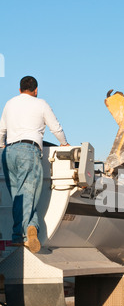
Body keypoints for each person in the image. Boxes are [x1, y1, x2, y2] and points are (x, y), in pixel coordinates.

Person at [0, 76, 69, 253]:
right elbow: (55, 127)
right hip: (28, 151)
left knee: (18, 197)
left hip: (8, 152)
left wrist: (1, 145)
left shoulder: (10, 104)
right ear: (36, 90)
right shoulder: (41, 104)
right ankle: (24, 232)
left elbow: (2, 129)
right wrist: (64, 143)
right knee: (28, 195)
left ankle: (28, 230)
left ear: (19, 89)